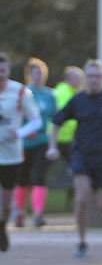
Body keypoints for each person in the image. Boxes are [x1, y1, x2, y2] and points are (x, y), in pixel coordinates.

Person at [46, 60, 102, 257]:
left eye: (98, 76)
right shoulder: (77, 100)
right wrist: (52, 147)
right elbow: (56, 123)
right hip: (81, 156)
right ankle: (82, 241)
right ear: (86, 78)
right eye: (91, 76)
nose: (94, 80)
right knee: (82, 198)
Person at [1, 53, 53, 251]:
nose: (0, 75)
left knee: (6, 203)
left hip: (11, 155)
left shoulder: (19, 91)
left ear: (8, 71)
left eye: (3, 70)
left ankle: (3, 225)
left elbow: (37, 120)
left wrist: (19, 133)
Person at [13, 57, 55, 228]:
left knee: (39, 175)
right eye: (36, 73)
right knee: (22, 177)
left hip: (41, 140)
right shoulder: (23, 93)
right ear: (30, 75)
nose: (39, 77)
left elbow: (55, 118)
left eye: (41, 73)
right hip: (24, 142)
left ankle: (38, 214)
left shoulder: (50, 95)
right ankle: (19, 211)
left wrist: (53, 142)